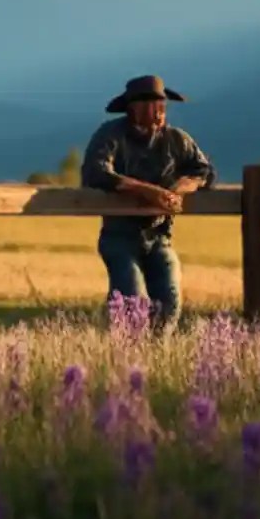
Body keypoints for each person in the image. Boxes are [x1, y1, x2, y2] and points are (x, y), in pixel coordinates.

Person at [81, 74, 216, 329]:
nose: (160, 111)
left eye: (162, 105)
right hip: (119, 236)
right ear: (134, 108)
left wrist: (181, 189)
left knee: (170, 302)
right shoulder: (111, 135)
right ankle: (128, 355)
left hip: (159, 235)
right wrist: (149, 192)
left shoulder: (176, 139)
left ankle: (156, 353)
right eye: (153, 105)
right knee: (132, 302)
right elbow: (96, 173)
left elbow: (204, 171)